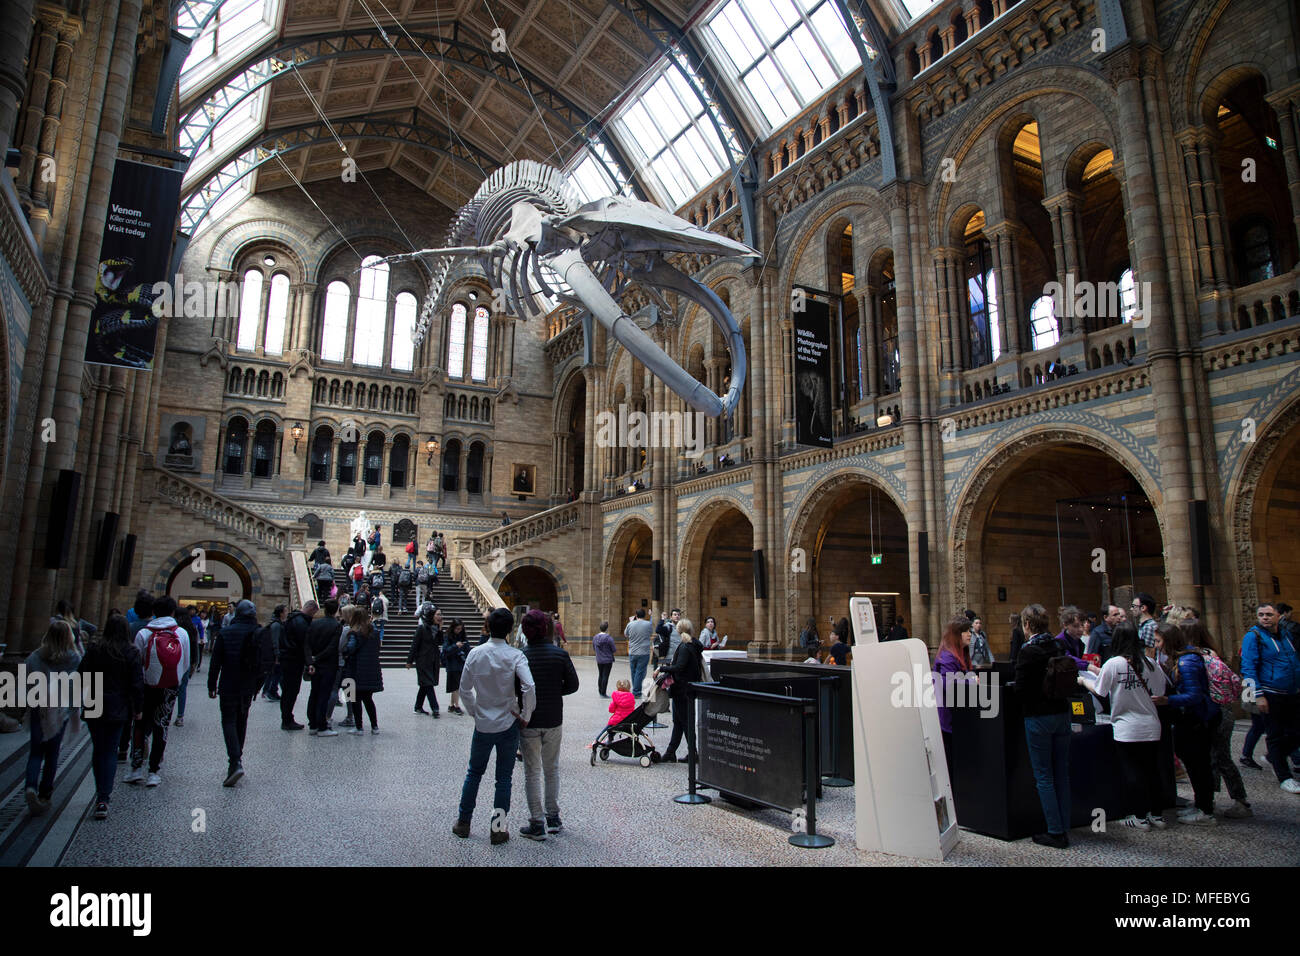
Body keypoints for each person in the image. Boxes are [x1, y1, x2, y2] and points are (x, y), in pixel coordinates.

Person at [453, 608, 536, 844]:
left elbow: (465, 688)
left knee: (474, 773)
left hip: (483, 725)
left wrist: (474, 711)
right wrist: (526, 714)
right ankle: (498, 829)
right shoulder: (516, 656)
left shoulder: (475, 653)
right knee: (504, 779)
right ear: (510, 629)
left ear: (488, 626)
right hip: (508, 722)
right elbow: (529, 687)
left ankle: (463, 823)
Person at [1077, 622, 1169, 830]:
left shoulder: (1114, 663)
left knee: (1132, 771)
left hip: (1127, 726)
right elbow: (1160, 690)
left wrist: (1083, 682)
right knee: (1152, 771)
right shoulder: (1150, 663)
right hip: (1151, 725)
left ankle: (1139, 816)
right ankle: (1157, 815)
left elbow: (1100, 690)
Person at [1180, 620, 1252, 819]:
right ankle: (1207, 802)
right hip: (1221, 709)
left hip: (1214, 711)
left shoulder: (1197, 657)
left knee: (1220, 758)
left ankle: (1239, 801)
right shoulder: (1210, 652)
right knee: (1214, 757)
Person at [1014, 603, 1072, 848]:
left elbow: (1020, 688)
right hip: (1061, 713)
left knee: (1044, 776)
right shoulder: (1058, 645)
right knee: (1061, 772)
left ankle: (1055, 831)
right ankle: (1064, 824)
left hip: (1038, 716)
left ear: (1027, 625)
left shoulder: (1028, 651)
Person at [518, 609, 579, 840]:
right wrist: (555, 692)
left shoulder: (521, 656)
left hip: (530, 720)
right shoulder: (559, 654)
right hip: (554, 719)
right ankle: (553, 818)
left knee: (532, 772)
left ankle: (537, 823)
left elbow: (517, 689)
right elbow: (573, 685)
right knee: (551, 769)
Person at [79, 614, 143, 820]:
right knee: (110, 750)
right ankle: (104, 798)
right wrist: (138, 708)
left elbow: (81, 674)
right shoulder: (131, 651)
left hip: (95, 703)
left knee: (99, 750)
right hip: (118, 706)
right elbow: (136, 683)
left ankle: (101, 793)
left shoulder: (95, 649)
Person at [1158, 621, 1220, 824]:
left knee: (1198, 765)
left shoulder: (1187, 662)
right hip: (1192, 718)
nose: (1157, 645)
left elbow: (1194, 695)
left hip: (1196, 719)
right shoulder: (1184, 659)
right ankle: (1201, 804)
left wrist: (1168, 700)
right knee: (1195, 764)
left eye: (1159, 641)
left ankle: (1205, 810)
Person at [126, 596, 190, 787]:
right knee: (161, 725)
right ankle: (154, 771)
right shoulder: (181, 633)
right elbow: (185, 662)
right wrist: (175, 678)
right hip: (169, 687)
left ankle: (136, 769)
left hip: (145, 687)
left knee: (139, 725)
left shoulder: (143, 633)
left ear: (154, 611)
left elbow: (136, 664)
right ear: (172, 612)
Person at [23, 619, 83, 815]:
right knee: (52, 753)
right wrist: (75, 710)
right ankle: (45, 794)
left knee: (36, 751)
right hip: (59, 711)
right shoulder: (74, 658)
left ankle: (30, 786)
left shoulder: (35, 657)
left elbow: (26, 680)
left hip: (39, 708)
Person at [1239, 602, 1300, 794]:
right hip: (1270, 692)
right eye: (1261, 614)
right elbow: (1248, 667)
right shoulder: (1253, 637)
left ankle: (1276, 756)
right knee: (1274, 734)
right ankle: (1284, 776)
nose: (1265, 617)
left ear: (1278, 616)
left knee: (1295, 732)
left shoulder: (1285, 634)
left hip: (1291, 691)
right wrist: (1257, 695)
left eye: (1269, 614)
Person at [207, 599, 267, 786]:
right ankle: (236, 760)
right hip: (247, 686)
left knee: (228, 721)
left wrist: (211, 685)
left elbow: (215, 662)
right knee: (242, 720)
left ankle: (235, 761)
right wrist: (257, 686)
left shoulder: (225, 633)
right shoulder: (258, 633)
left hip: (228, 684)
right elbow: (264, 664)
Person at [657, 618, 704, 764]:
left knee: (686, 722)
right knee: (678, 722)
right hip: (683, 689)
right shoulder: (692, 645)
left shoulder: (686, 647)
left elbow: (679, 667)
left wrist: (662, 668)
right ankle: (671, 752)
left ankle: (693, 753)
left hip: (682, 690)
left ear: (679, 630)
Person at [933, 616, 973, 777]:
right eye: (965, 631)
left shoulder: (960, 653)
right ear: (956, 634)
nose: (969, 634)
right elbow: (950, 686)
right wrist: (970, 681)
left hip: (955, 716)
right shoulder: (949, 656)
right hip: (949, 718)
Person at [342, 605, 383, 734]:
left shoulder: (354, 633)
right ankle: (374, 726)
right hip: (370, 669)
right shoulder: (375, 633)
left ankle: (359, 727)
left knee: (355, 700)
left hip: (355, 670)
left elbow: (350, 649)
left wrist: (345, 651)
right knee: (368, 699)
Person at [305, 598, 342, 736]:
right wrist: (318, 658)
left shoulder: (314, 623)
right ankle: (322, 726)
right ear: (336, 610)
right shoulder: (336, 625)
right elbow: (332, 647)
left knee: (314, 692)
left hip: (315, 665)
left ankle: (312, 724)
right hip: (328, 664)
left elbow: (307, 644)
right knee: (324, 694)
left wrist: (311, 661)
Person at [280, 600, 315, 730]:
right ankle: (287, 719)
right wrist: (309, 662)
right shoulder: (301, 622)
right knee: (291, 691)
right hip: (294, 659)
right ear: (311, 609)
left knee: (288, 691)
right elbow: (304, 644)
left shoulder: (292, 618)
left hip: (288, 658)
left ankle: (287, 717)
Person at [409, 605, 442, 716]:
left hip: (433, 661)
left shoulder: (437, 629)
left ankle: (418, 707)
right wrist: (410, 660)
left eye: (440, 614)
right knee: (428, 683)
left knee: (425, 684)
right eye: (438, 614)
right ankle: (435, 708)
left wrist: (440, 629)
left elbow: (440, 642)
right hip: (423, 661)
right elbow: (414, 645)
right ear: (432, 615)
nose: (440, 616)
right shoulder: (422, 628)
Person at [443, 618, 470, 714]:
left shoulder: (462, 636)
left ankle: (452, 705)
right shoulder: (448, 636)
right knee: (456, 686)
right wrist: (456, 646)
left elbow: (467, 648)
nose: (459, 631)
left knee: (455, 686)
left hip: (460, 663)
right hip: (452, 664)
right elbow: (445, 650)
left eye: (460, 629)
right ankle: (456, 705)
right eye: (457, 629)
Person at [625, 608, 653, 697]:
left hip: (633, 651)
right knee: (640, 671)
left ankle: (636, 689)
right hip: (644, 652)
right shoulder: (648, 624)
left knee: (634, 671)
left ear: (636, 615)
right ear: (644, 615)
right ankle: (636, 691)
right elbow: (650, 633)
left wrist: (631, 622)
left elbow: (626, 634)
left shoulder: (630, 624)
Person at [260, 604, 285, 702]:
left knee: (276, 673)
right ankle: (269, 691)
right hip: (275, 654)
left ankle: (271, 691)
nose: (287, 613)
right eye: (286, 611)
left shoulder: (276, 623)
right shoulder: (276, 625)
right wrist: (277, 654)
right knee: (274, 673)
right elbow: (275, 640)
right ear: (281, 613)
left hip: (275, 653)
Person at [1132, 592, 1159, 657]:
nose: (1131, 609)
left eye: (1133, 606)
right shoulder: (1145, 625)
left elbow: (1148, 654)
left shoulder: (1148, 627)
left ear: (1143, 608)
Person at [593, 622, 615, 697]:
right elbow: (613, 649)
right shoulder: (609, 638)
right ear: (607, 629)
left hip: (599, 659)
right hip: (608, 660)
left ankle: (600, 690)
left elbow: (594, 647)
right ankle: (603, 692)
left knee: (601, 674)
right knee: (605, 675)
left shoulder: (595, 637)